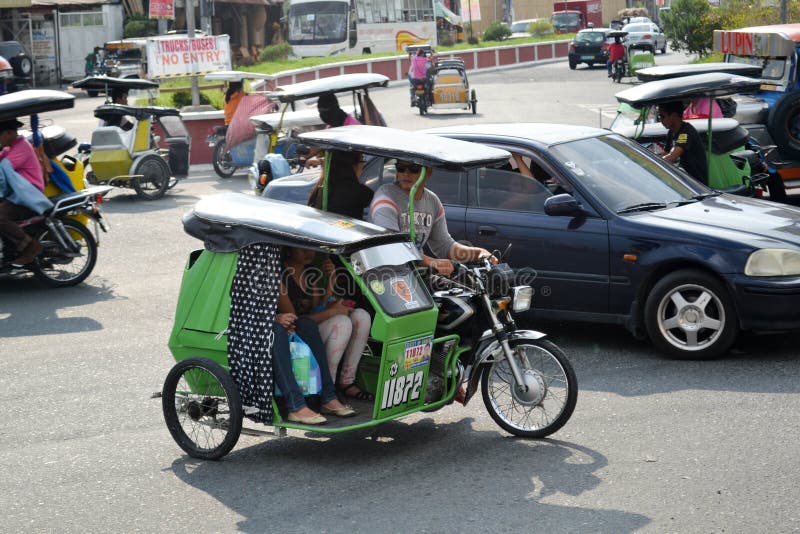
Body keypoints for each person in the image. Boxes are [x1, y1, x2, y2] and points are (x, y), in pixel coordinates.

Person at [369, 160, 495, 276]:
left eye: (413, 168)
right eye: (401, 168)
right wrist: (431, 262)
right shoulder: (385, 197)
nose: (406, 174)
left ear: (428, 172)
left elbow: (444, 245)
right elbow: (391, 245)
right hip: (385, 277)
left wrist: (477, 253)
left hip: (415, 276)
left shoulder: (432, 201)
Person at [279, 247, 374, 401]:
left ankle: (346, 381)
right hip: (295, 336)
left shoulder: (310, 273)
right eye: (302, 248)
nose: (309, 252)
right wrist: (332, 312)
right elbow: (297, 323)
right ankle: (327, 387)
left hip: (312, 328)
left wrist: (331, 281)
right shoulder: (280, 277)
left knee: (361, 316)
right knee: (341, 323)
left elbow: (317, 309)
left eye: (310, 248)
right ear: (289, 249)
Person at [272, 312, 357, 424]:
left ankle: (328, 396)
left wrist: (287, 322)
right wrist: (274, 319)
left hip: (269, 319)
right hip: (255, 329)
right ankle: (296, 405)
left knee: (306, 324)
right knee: (276, 330)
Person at [0, 118, 44, 264]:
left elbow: (3, 168)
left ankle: (30, 246)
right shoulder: (10, 149)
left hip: (28, 195)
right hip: (18, 194)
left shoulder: (21, 148)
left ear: (8, 133)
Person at [308, 150, 372, 219]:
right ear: (352, 165)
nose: (363, 165)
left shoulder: (320, 186)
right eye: (362, 160)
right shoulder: (359, 191)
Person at [658, 100, 708, 185]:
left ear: (674, 116)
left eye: (662, 116)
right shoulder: (671, 132)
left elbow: (671, 157)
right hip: (683, 181)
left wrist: (650, 164)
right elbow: (665, 154)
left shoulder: (686, 132)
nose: (660, 120)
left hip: (696, 185)